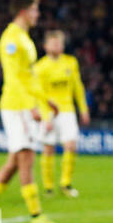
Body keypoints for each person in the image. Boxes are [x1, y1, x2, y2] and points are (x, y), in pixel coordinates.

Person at [0, 0, 59, 223]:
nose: (37, 14)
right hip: (18, 105)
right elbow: (15, 79)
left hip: (23, 103)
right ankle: (36, 214)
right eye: (35, 10)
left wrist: (45, 101)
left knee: (14, 161)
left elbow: (29, 77)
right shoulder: (12, 39)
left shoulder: (23, 38)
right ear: (23, 11)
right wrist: (32, 106)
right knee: (27, 157)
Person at [34, 29, 89, 197]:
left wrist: (83, 109)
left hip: (67, 111)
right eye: (54, 43)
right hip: (49, 112)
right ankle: (48, 187)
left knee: (71, 145)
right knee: (48, 148)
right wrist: (44, 116)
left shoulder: (71, 62)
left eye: (60, 43)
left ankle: (65, 183)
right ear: (45, 46)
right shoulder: (40, 67)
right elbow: (38, 94)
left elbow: (77, 87)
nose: (58, 46)